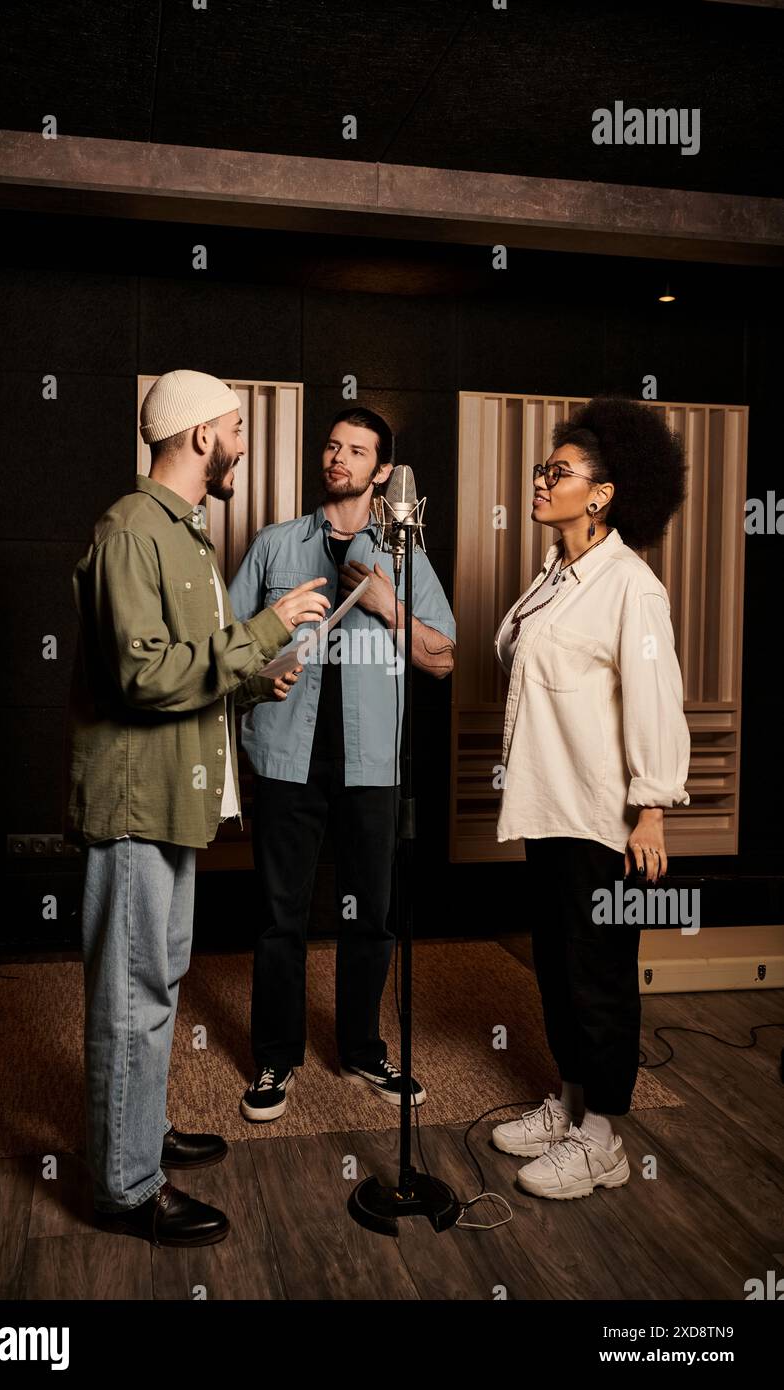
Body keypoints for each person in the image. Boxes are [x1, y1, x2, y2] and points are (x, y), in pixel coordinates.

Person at [63, 369, 329, 1246]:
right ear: (200, 436)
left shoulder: (185, 533)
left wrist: (256, 680)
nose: (245, 443)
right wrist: (263, 628)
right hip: (138, 804)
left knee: (157, 981)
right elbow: (141, 676)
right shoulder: (131, 530)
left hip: (177, 803)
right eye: (238, 427)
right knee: (131, 995)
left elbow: (189, 668)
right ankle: (125, 1187)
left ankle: (137, 1137)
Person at [228, 407, 456, 1121]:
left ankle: (361, 1047)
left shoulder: (404, 552)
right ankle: (274, 1060)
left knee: (373, 917)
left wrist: (390, 605)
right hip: (286, 760)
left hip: (371, 767)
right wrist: (263, 669)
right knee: (279, 917)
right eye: (332, 446)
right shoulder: (272, 544)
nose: (339, 458)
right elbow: (226, 649)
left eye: (357, 451)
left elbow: (442, 659)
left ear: (382, 471)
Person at [490, 396, 690, 1200]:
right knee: (556, 969)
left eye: (558, 472)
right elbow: (514, 652)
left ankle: (602, 1137)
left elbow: (654, 698)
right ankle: (570, 1105)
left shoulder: (630, 588)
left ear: (602, 493)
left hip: (603, 819)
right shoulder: (555, 574)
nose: (541, 481)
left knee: (599, 977)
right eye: (544, 469)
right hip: (549, 805)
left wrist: (652, 806)